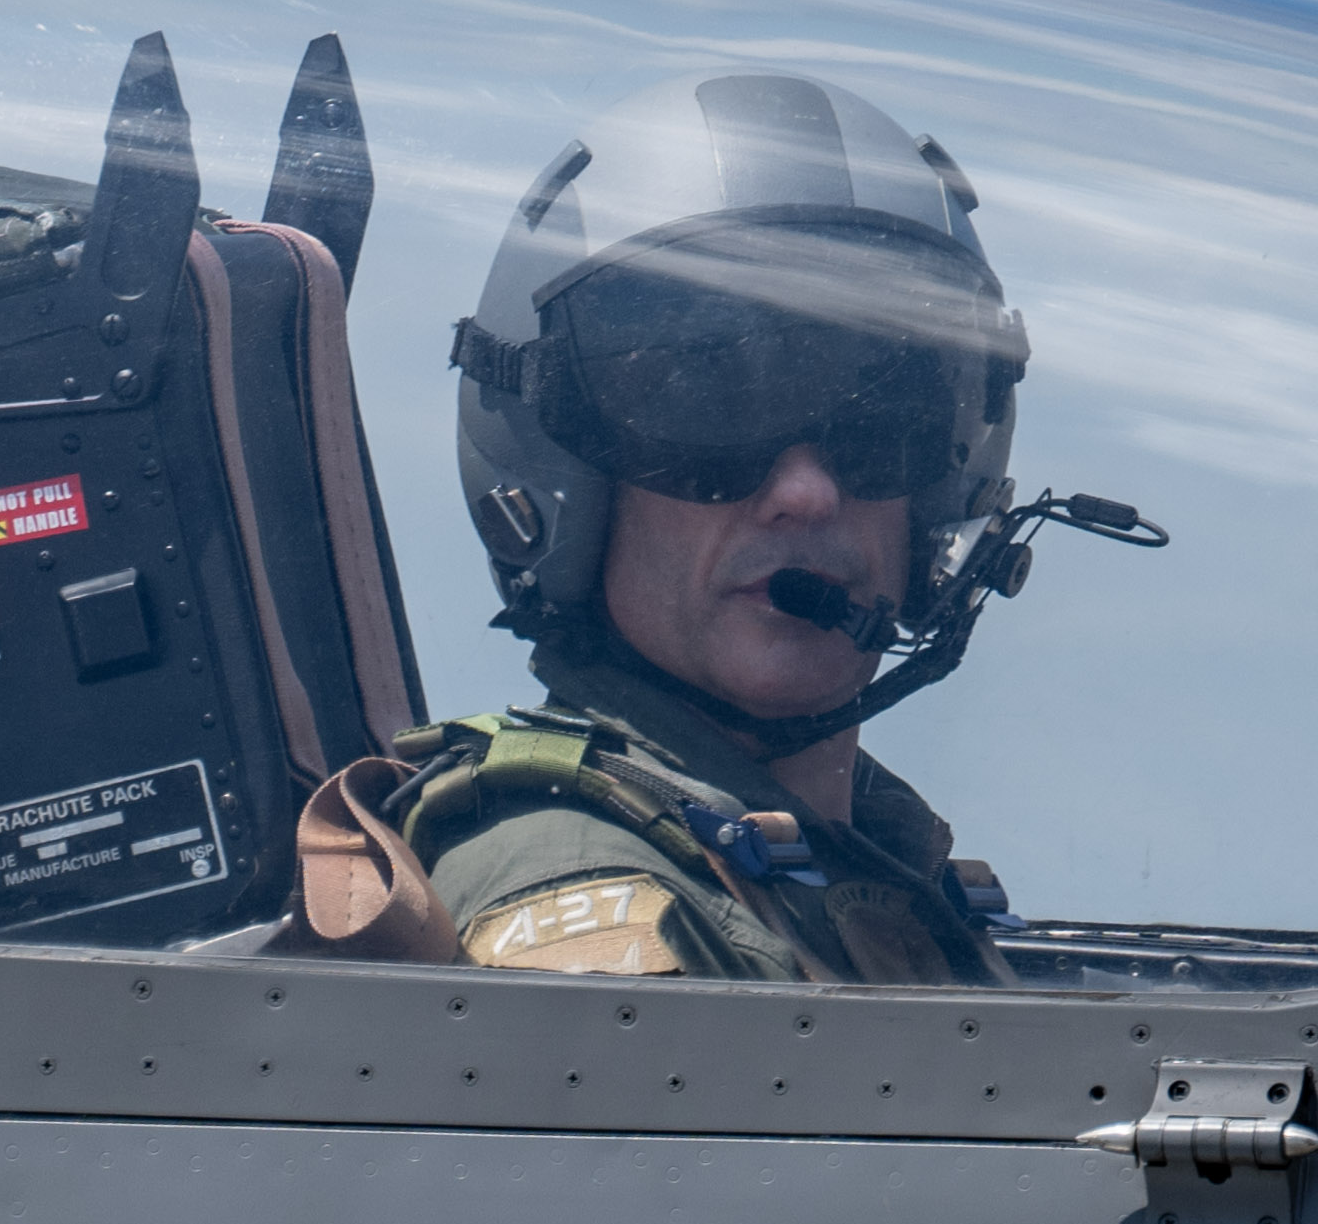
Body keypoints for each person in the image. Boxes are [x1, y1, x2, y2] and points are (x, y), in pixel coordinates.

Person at [346, 69, 1053, 985]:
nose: (805, 492)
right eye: (708, 409)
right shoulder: (580, 894)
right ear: (573, 476)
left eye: (880, 417)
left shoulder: (853, 874)